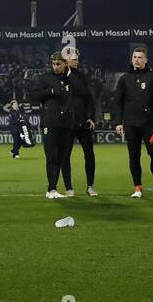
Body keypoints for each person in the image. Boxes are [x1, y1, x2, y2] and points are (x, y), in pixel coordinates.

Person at [113, 45, 153, 198]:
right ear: (131, 59)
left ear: (145, 60)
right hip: (131, 124)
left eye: (140, 57)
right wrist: (119, 122)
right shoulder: (124, 79)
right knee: (134, 156)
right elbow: (118, 102)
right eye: (134, 57)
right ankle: (137, 188)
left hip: (149, 124)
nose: (137, 60)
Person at [27, 52, 75, 199]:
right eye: (53, 64)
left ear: (65, 64)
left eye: (58, 64)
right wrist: (50, 91)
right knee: (51, 156)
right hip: (50, 121)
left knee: (63, 157)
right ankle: (51, 189)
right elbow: (33, 95)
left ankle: (65, 187)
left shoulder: (71, 79)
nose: (55, 67)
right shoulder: (45, 78)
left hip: (67, 122)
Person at [64, 47, 100, 196]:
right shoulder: (59, 76)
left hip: (82, 122)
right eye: (74, 59)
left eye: (78, 59)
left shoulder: (81, 76)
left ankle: (90, 186)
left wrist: (91, 117)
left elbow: (89, 98)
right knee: (65, 156)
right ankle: (69, 188)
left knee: (89, 154)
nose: (77, 62)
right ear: (66, 60)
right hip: (66, 123)